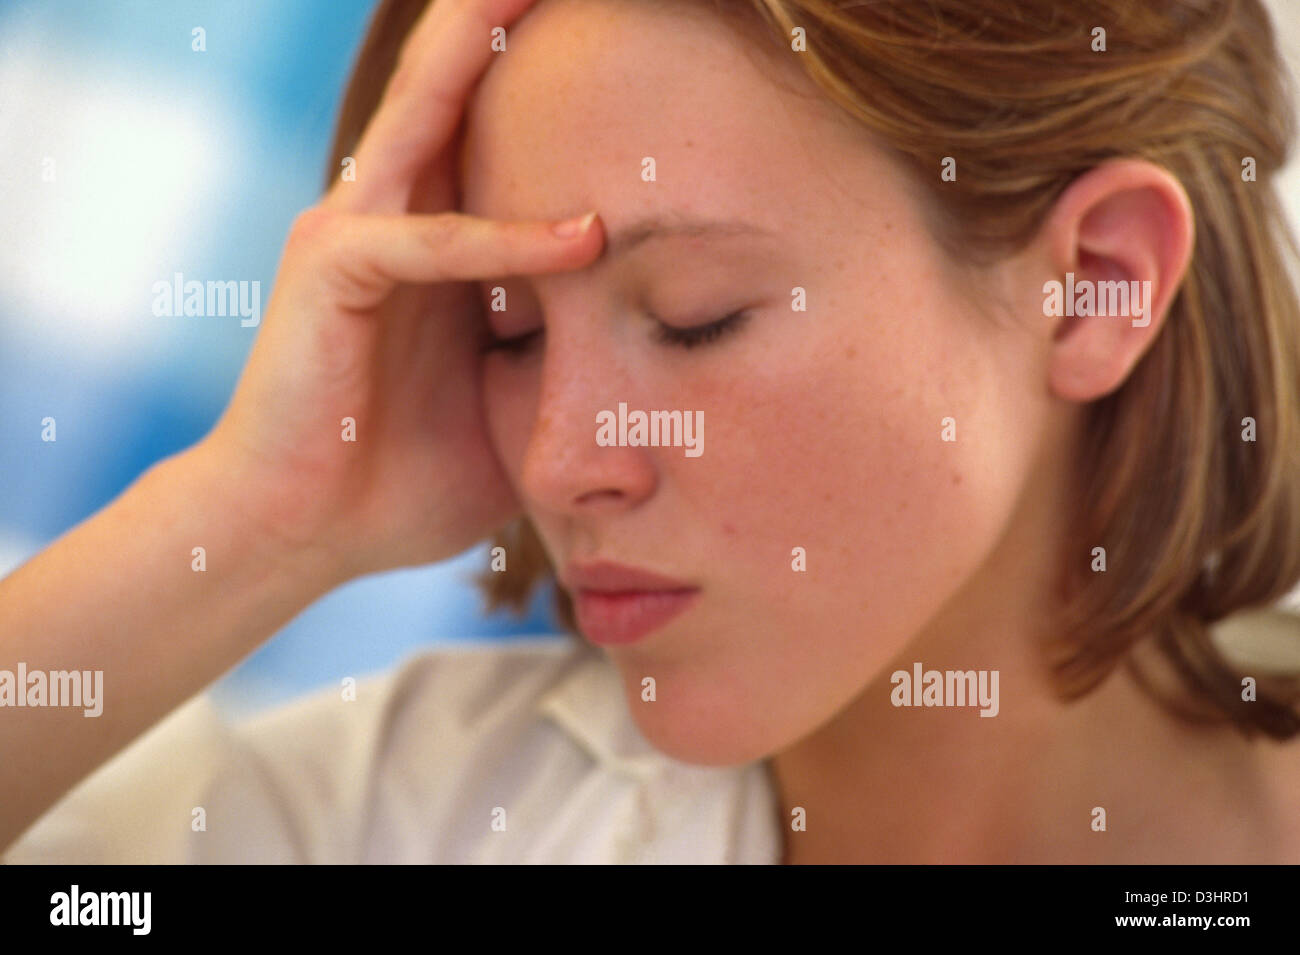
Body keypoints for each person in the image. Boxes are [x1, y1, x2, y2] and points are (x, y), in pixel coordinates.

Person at [3, 0, 1300, 864]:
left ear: (1099, 284)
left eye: (696, 318)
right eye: (507, 332)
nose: (562, 464)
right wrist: (254, 519)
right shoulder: (414, 815)